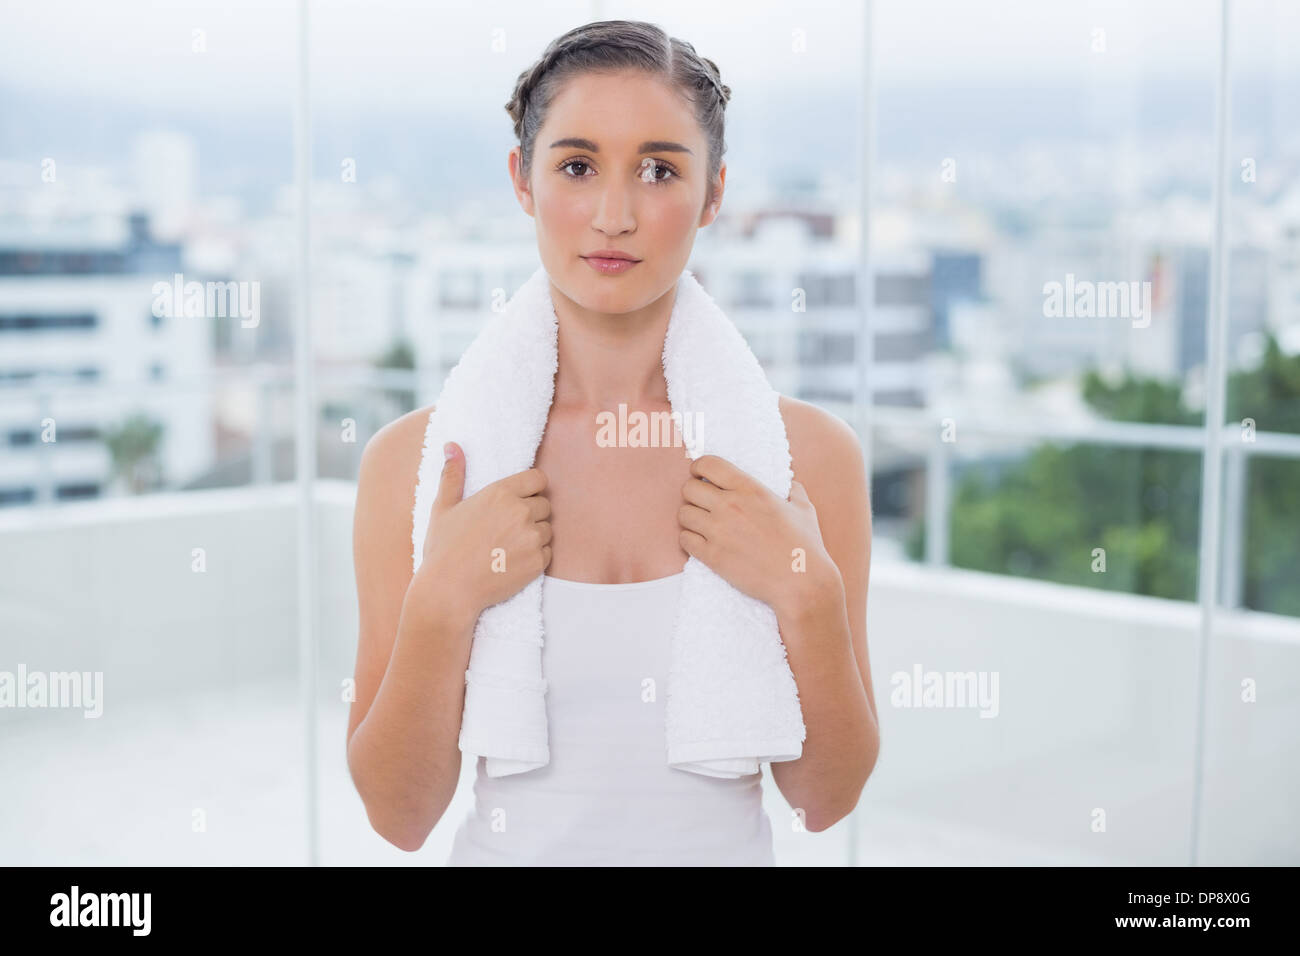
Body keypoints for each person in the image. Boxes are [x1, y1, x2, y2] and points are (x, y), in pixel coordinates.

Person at [346, 19, 879, 866]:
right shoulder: (420, 466)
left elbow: (826, 797)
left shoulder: (805, 459)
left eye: (660, 170)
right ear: (523, 180)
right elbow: (398, 814)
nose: (614, 214)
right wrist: (443, 601)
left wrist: (804, 594)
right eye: (577, 167)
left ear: (713, 195)